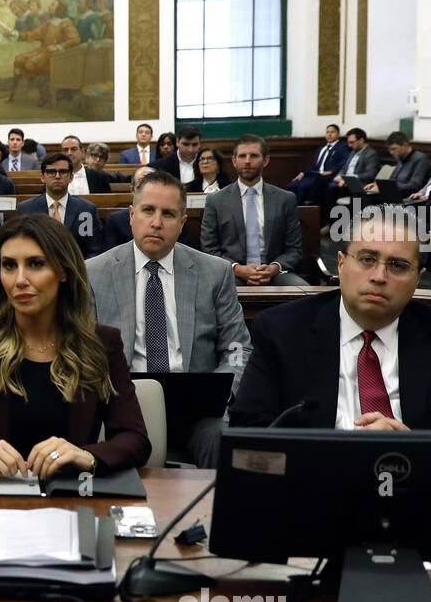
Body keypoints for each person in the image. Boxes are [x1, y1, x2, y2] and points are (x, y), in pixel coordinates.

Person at [0, 214, 151, 476]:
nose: (20, 279)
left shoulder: (102, 343)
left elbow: (134, 439)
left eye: (35, 264)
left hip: (72, 496)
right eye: (9, 266)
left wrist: (87, 457)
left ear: (63, 271)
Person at [229, 206, 431, 431]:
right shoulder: (282, 330)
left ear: (418, 278)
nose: (379, 276)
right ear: (340, 263)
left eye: (398, 265)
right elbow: (249, 430)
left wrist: (415, 453)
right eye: (366, 259)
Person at [87, 170, 250, 467]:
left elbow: (238, 349)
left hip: (196, 410)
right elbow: (79, 348)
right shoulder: (94, 273)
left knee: (221, 436)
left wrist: (220, 391)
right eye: (148, 210)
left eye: (169, 214)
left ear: (182, 223)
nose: (157, 222)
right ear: (131, 214)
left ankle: (216, 513)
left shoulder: (214, 272)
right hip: (123, 405)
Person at [200, 135, 305, 286]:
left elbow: (294, 250)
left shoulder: (285, 199)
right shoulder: (216, 200)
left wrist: (274, 268)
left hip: (276, 273)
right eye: (242, 156)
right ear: (234, 161)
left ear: (266, 160)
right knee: (216, 293)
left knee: (305, 293)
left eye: (254, 156)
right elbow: (209, 249)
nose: (247, 161)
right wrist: (238, 269)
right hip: (231, 273)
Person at [17, 152, 101, 256]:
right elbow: (21, 247)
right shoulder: (26, 209)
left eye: (63, 171)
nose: (57, 176)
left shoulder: (86, 210)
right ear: (43, 177)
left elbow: (93, 250)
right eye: (51, 172)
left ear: (71, 177)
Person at [286, 123, 349, 206]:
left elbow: (344, 162)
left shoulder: (342, 147)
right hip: (314, 175)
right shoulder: (321, 148)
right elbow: (314, 166)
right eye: (327, 132)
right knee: (290, 186)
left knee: (303, 187)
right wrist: (303, 173)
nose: (329, 134)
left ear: (338, 134)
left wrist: (332, 171)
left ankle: (301, 213)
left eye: (332, 132)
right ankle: (290, 212)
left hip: (327, 177)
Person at [100, 165, 155, 253]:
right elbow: (111, 256)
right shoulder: (116, 220)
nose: (148, 188)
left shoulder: (171, 217)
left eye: (152, 182)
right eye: (142, 183)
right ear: (132, 190)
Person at [367, 132, 430, 197]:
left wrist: (385, 188)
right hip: (394, 194)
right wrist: (378, 185)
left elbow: (415, 185)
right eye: (389, 149)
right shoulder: (400, 157)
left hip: (409, 198)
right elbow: (392, 181)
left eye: (394, 149)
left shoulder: (420, 158)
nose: (391, 152)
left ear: (405, 145)